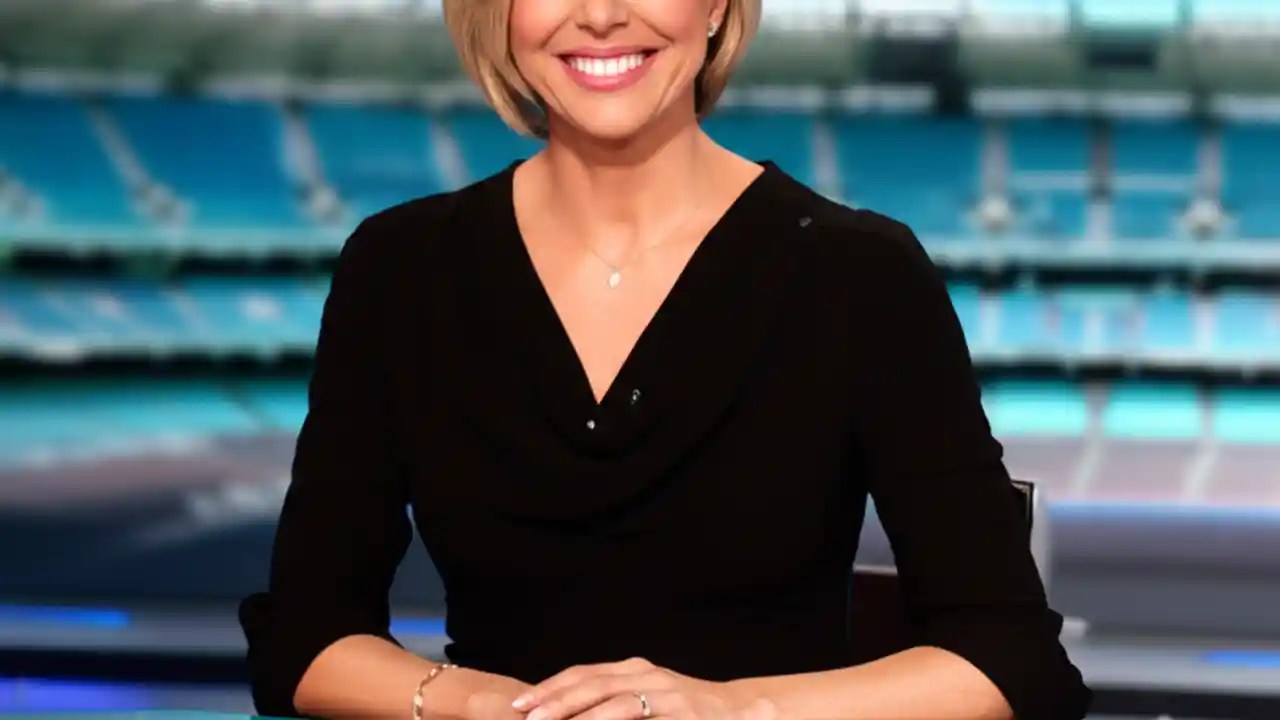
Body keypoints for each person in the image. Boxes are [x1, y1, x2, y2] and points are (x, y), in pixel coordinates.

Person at [239, 0, 1093, 718]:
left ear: (717, 6)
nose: (601, 15)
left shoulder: (860, 272)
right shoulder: (399, 266)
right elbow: (305, 641)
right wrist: (492, 706)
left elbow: (1009, 656)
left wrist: (730, 710)